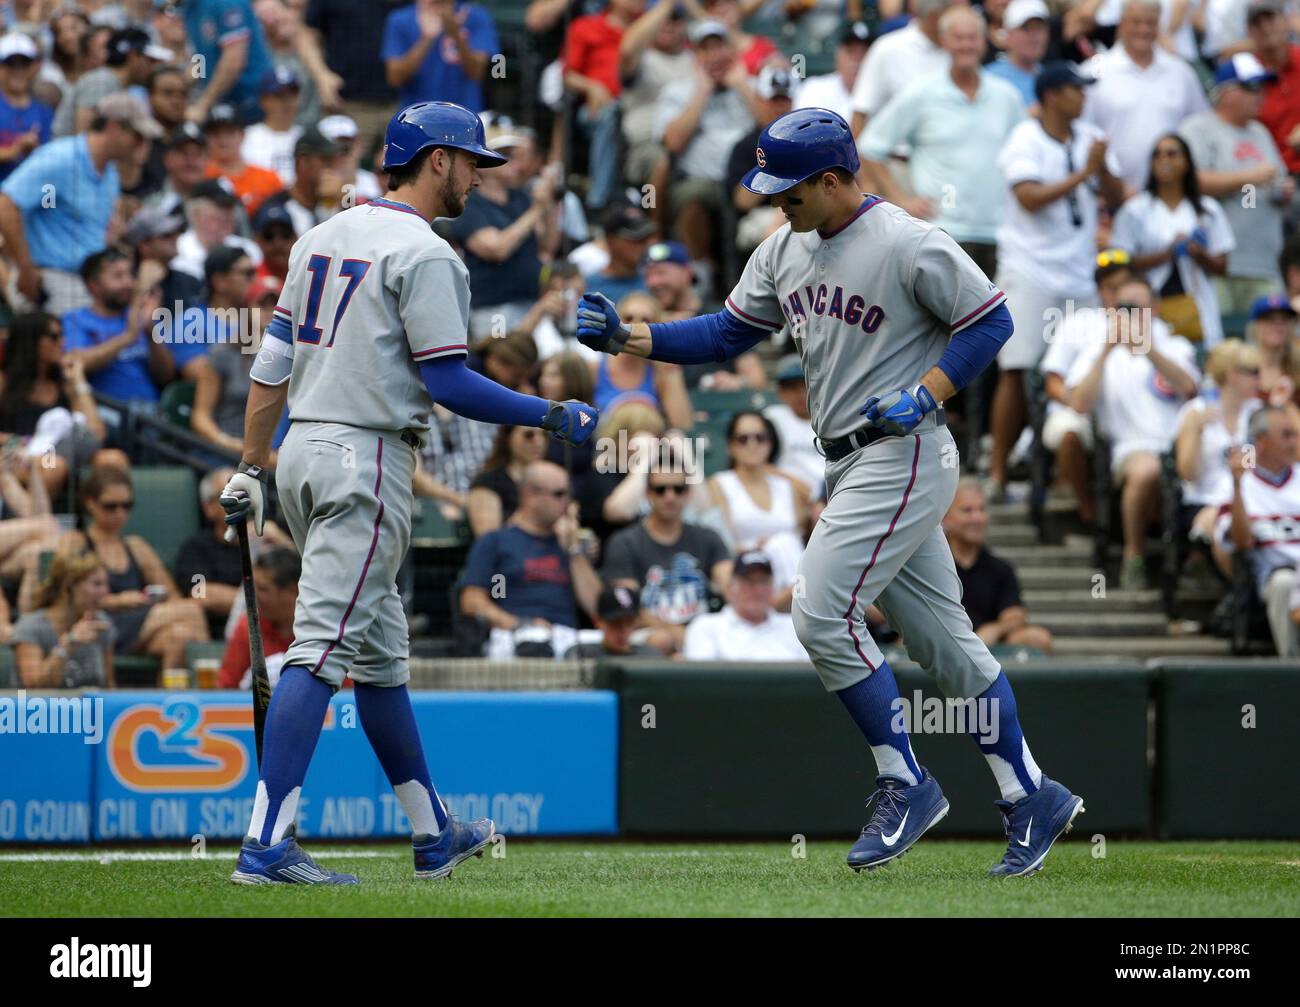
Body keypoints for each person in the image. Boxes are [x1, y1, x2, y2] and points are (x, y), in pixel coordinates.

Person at [578, 106, 1085, 878]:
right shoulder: (784, 248)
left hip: (905, 449)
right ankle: (1031, 793)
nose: (776, 201)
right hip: (847, 460)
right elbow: (725, 333)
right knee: (945, 645)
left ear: (834, 179)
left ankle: (904, 779)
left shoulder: (908, 240)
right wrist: (632, 339)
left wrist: (929, 389)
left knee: (818, 610)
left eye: (790, 189)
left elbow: (990, 321)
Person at [218, 100, 598, 885]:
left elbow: (269, 370)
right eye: (471, 163)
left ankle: (432, 832)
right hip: (366, 457)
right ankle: (266, 841)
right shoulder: (427, 253)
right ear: (436, 161)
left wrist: (253, 467)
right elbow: (448, 381)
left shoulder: (322, 236)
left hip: (303, 451)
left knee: (382, 659)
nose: (477, 178)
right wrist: (550, 411)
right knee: (320, 651)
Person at [990, 61, 1124, 499]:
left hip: (1079, 271)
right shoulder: (1024, 138)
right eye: (1075, 89)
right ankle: (997, 472)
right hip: (1029, 267)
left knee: (1084, 365)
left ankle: (1072, 472)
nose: (1083, 97)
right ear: (1050, 95)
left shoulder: (1091, 139)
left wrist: (1100, 171)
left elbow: (1117, 196)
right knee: (1018, 367)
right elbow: (1028, 198)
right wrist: (1085, 173)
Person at [858, 6, 1024, 281]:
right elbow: (870, 146)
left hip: (1000, 233)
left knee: (995, 321)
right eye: (959, 38)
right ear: (944, 42)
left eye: (973, 37)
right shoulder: (923, 93)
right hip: (942, 233)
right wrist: (901, 200)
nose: (967, 45)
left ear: (984, 42)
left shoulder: (1007, 97)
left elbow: (1022, 153)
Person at [1065, 276, 1199, 587]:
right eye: (1122, 306)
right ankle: (1133, 554)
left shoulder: (1175, 345)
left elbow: (1189, 387)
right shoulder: (1097, 350)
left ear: (1155, 308)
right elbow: (1079, 404)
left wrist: (1148, 348)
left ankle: (1195, 559)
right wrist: (1106, 352)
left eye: (1136, 306)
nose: (1129, 313)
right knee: (1146, 470)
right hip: (1131, 448)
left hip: (1183, 445)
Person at [0, 92, 160, 316]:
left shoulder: (110, 172)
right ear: (114, 127)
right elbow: (6, 205)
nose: (142, 145)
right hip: (50, 279)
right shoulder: (60, 159)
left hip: (89, 282)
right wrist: (25, 269)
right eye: (138, 136)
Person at [54, 465, 210, 674]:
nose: (120, 513)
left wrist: (152, 599)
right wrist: (119, 601)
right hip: (96, 624)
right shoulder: (75, 542)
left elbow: (172, 595)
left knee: (179, 635)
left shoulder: (136, 546)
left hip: (139, 624)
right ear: (90, 504)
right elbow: (63, 597)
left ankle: (169, 701)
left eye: (126, 506)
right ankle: (216, 686)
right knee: (191, 610)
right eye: (111, 506)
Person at [1180, 53, 1293, 316]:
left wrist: (1282, 191)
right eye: (1251, 88)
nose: (1260, 95)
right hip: (1217, 264)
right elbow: (1188, 180)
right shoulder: (1199, 128)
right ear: (1227, 92)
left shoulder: (1260, 133)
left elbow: (1258, 189)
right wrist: (1248, 177)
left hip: (1264, 262)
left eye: (1262, 88)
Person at [459, 461, 602, 658]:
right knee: (533, 644)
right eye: (559, 494)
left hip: (566, 640)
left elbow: (597, 607)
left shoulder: (571, 544)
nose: (568, 503)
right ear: (530, 496)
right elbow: (472, 602)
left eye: (570, 494)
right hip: (513, 635)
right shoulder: (496, 542)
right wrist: (521, 624)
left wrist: (574, 551)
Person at [654, 20, 757, 279]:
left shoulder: (749, 84)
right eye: (705, 49)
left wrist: (742, 87)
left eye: (719, 47)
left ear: (731, 51)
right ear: (695, 55)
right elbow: (673, 142)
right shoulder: (678, 91)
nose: (714, 55)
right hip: (703, 180)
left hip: (749, 179)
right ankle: (700, 276)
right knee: (692, 197)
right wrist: (702, 92)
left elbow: (776, 127)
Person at [1109, 133, 1233, 347]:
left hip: (1196, 304)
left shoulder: (1207, 209)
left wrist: (1198, 253)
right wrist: (1169, 253)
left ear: (1186, 162)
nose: (1164, 160)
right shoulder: (1135, 210)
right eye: (1157, 155)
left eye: (1172, 154)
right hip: (1149, 302)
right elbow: (1120, 262)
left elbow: (1222, 266)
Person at [1040, 249, 1134, 524]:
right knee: (1068, 433)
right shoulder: (1078, 322)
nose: (1116, 294)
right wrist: (1079, 401)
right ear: (1100, 290)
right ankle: (1089, 509)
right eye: (1110, 287)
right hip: (1080, 409)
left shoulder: (1146, 323)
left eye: (1123, 286)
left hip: (1126, 411)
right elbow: (1052, 381)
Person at [601, 464, 733, 656]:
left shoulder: (708, 537)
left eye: (678, 489)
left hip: (701, 631)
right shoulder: (625, 542)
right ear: (648, 494)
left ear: (688, 493)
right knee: (662, 640)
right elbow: (628, 608)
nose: (669, 496)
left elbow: (731, 587)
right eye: (660, 490)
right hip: (647, 633)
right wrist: (677, 633)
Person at [1079, 0, 1208, 191]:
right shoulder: (1094, 71)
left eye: (1150, 23)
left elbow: (1199, 128)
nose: (1143, 29)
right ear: (1122, 24)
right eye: (1136, 22)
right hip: (1112, 195)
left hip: (1173, 195)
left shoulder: (1181, 72)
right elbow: (1082, 134)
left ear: (1159, 26)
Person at [1174, 339, 1263, 575]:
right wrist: (1195, 431)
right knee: (1219, 519)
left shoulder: (1260, 413)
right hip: (1204, 501)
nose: (1259, 378)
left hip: (1252, 502)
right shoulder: (1195, 411)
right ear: (1232, 375)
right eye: (1253, 372)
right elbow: (1188, 474)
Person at [705, 409, 810, 603]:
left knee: (785, 543)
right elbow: (720, 542)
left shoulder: (786, 486)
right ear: (730, 446)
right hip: (749, 570)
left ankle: (799, 601)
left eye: (760, 438)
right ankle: (799, 603)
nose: (752, 445)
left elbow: (801, 533)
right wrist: (755, 548)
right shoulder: (720, 484)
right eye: (743, 439)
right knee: (781, 544)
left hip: (790, 567)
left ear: (771, 443)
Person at [1219, 406, 1300, 656]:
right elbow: (1241, 542)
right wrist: (1236, 486)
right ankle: (1293, 669)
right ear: (1261, 442)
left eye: (1295, 434)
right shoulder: (1240, 484)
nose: (1295, 441)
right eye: (1286, 434)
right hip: (1277, 574)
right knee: (1284, 583)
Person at [943, 478, 1053, 653]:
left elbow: (1016, 615)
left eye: (982, 510)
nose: (977, 518)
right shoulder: (934, 565)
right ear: (946, 518)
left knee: (1038, 638)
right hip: (942, 645)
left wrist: (994, 630)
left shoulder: (1000, 569)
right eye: (967, 511)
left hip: (988, 648)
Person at [60, 247, 173, 406]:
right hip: (106, 413)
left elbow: (166, 375)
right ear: (94, 286)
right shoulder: (76, 320)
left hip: (151, 413)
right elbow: (74, 363)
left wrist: (150, 331)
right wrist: (127, 337)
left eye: (130, 275)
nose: (128, 283)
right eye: (118, 276)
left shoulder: (140, 316)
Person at [562, 0, 643, 210]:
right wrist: (592, 87)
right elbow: (568, 75)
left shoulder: (648, 27)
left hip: (640, 109)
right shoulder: (586, 26)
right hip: (597, 109)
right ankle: (599, 204)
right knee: (609, 115)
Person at [849, 0, 955, 136]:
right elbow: (860, 111)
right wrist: (856, 156)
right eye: (950, 15)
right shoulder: (888, 48)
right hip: (894, 155)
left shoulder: (957, 51)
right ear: (933, 16)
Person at [189, 246, 257, 456]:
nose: (254, 280)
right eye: (247, 273)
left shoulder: (260, 327)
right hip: (228, 438)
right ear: (220, 281)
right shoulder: (193, 321)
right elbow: (197, 373)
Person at [11, 552, 115, 688]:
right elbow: (33, 687)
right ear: (68, 588)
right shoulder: (31, 627)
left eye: (105, 584)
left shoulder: (101, 623)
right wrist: (66, 646)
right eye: (97, 584)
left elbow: (108, 685)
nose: (105, 592)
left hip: (92, 707)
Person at [682, 549, 809, 661]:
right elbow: (702, 681)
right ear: (731, 587)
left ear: (773, 586)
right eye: (749, 581)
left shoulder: (795, 629)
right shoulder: (706, 627)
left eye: (763, 581)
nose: (758, 590)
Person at [590, 292, 692, 428]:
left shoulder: (661, 373)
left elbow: (683, 426)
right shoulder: (594, 368)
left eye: (646, 320)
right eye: (628, 318)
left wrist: (671, 367)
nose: (635, 325)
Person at [382, 0, 497, 114]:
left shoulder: (473, 16)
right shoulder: (400, 19)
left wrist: (456, 35)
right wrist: (426, 38)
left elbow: (477, 73)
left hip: (464, 117)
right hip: (416, 117)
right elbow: (395, 79)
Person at [52, 25, 167, 138]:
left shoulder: (115, 83)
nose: (153, 68)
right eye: (150, 60)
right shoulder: (101, 82)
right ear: (133, 57)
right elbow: (83, 137)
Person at [172, 466, 245, 638]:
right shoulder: (196, 548)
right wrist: (258, 600)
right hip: (214, 636)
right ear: (209, 508)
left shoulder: (269, 543)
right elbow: (201, 595)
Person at [181, 0, 273, 126]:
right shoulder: (190, 6)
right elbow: (200, 56)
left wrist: (203, 105)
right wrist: (181, 83)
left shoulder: (227, 2)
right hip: (223, 100)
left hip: (252, 100)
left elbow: (233, 61)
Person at [219, 546, 300, 689]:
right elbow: (226, 688)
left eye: (263, 589)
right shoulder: (249, 627)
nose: (252, 596)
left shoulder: (323, 631)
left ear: (292, 591)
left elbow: (345, 695)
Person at [466, 423, 548, 537]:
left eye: (544, 435)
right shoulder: (487, 482)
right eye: (529, 435)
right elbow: (487, 539)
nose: (539, 442)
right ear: (508, 438)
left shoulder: (551, 481)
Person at [202, 102, 283, 218]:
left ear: (242, 135)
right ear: (206, 137)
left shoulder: (269, 178)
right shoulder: (200, 176)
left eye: (229, 133)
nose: (223, 139)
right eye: (216, 133)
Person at [0, 32, 53, 183]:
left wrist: (35, 151)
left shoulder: (44, 111)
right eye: (10, 64)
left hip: (29, 198)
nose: (18, 71)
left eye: (24, 64)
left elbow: (49, 164)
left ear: (33, 68)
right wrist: (13, 151)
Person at [794, 21, 871, 123]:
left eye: (863, 52)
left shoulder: (883, 93)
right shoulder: (815, 88)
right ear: (838, 55)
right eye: (850, 51)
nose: (856, 59)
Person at [240, 65, 303, 185]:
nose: (288, 103)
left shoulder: (307, 137)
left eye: (293, 95)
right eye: (280, 96)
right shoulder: (247, 137)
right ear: (263, 101)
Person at [986, 0, 1049, 108]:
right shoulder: (989, 78)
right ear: (1008, 35)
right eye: (1026, 28)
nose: (1034, 36)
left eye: (1039, 28)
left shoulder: (1049, 77)